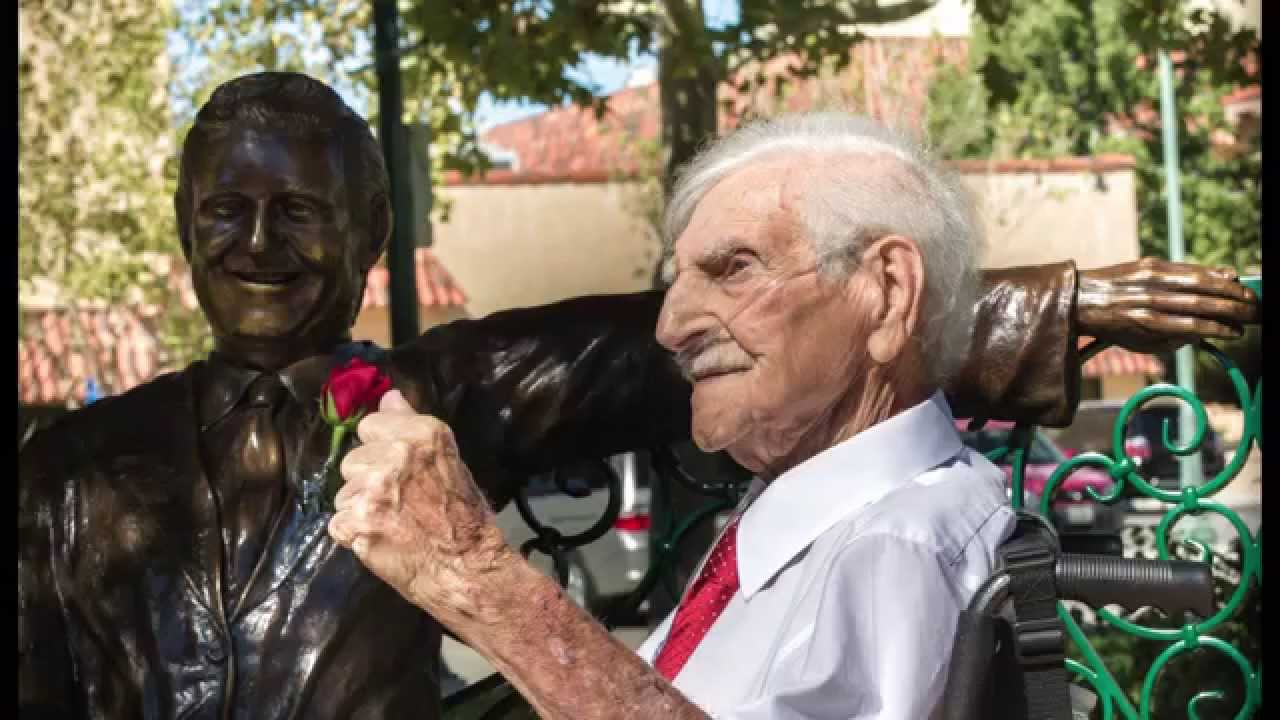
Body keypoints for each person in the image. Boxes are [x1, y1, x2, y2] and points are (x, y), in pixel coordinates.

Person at [18, 71, 1256, 720]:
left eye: (298, 210)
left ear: (372, 233)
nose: (257, 243)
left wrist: (1059, 304)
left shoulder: (442, 395)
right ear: (181, 229)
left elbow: (761, 335)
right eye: (224, 212)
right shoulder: (68, 470)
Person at [328, 112, 1259, 719]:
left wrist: (477, 580)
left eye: (731, 269)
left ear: (887, 292)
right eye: (678, 279)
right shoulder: (814, 518)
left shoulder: (896, 540)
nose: (671, 325)